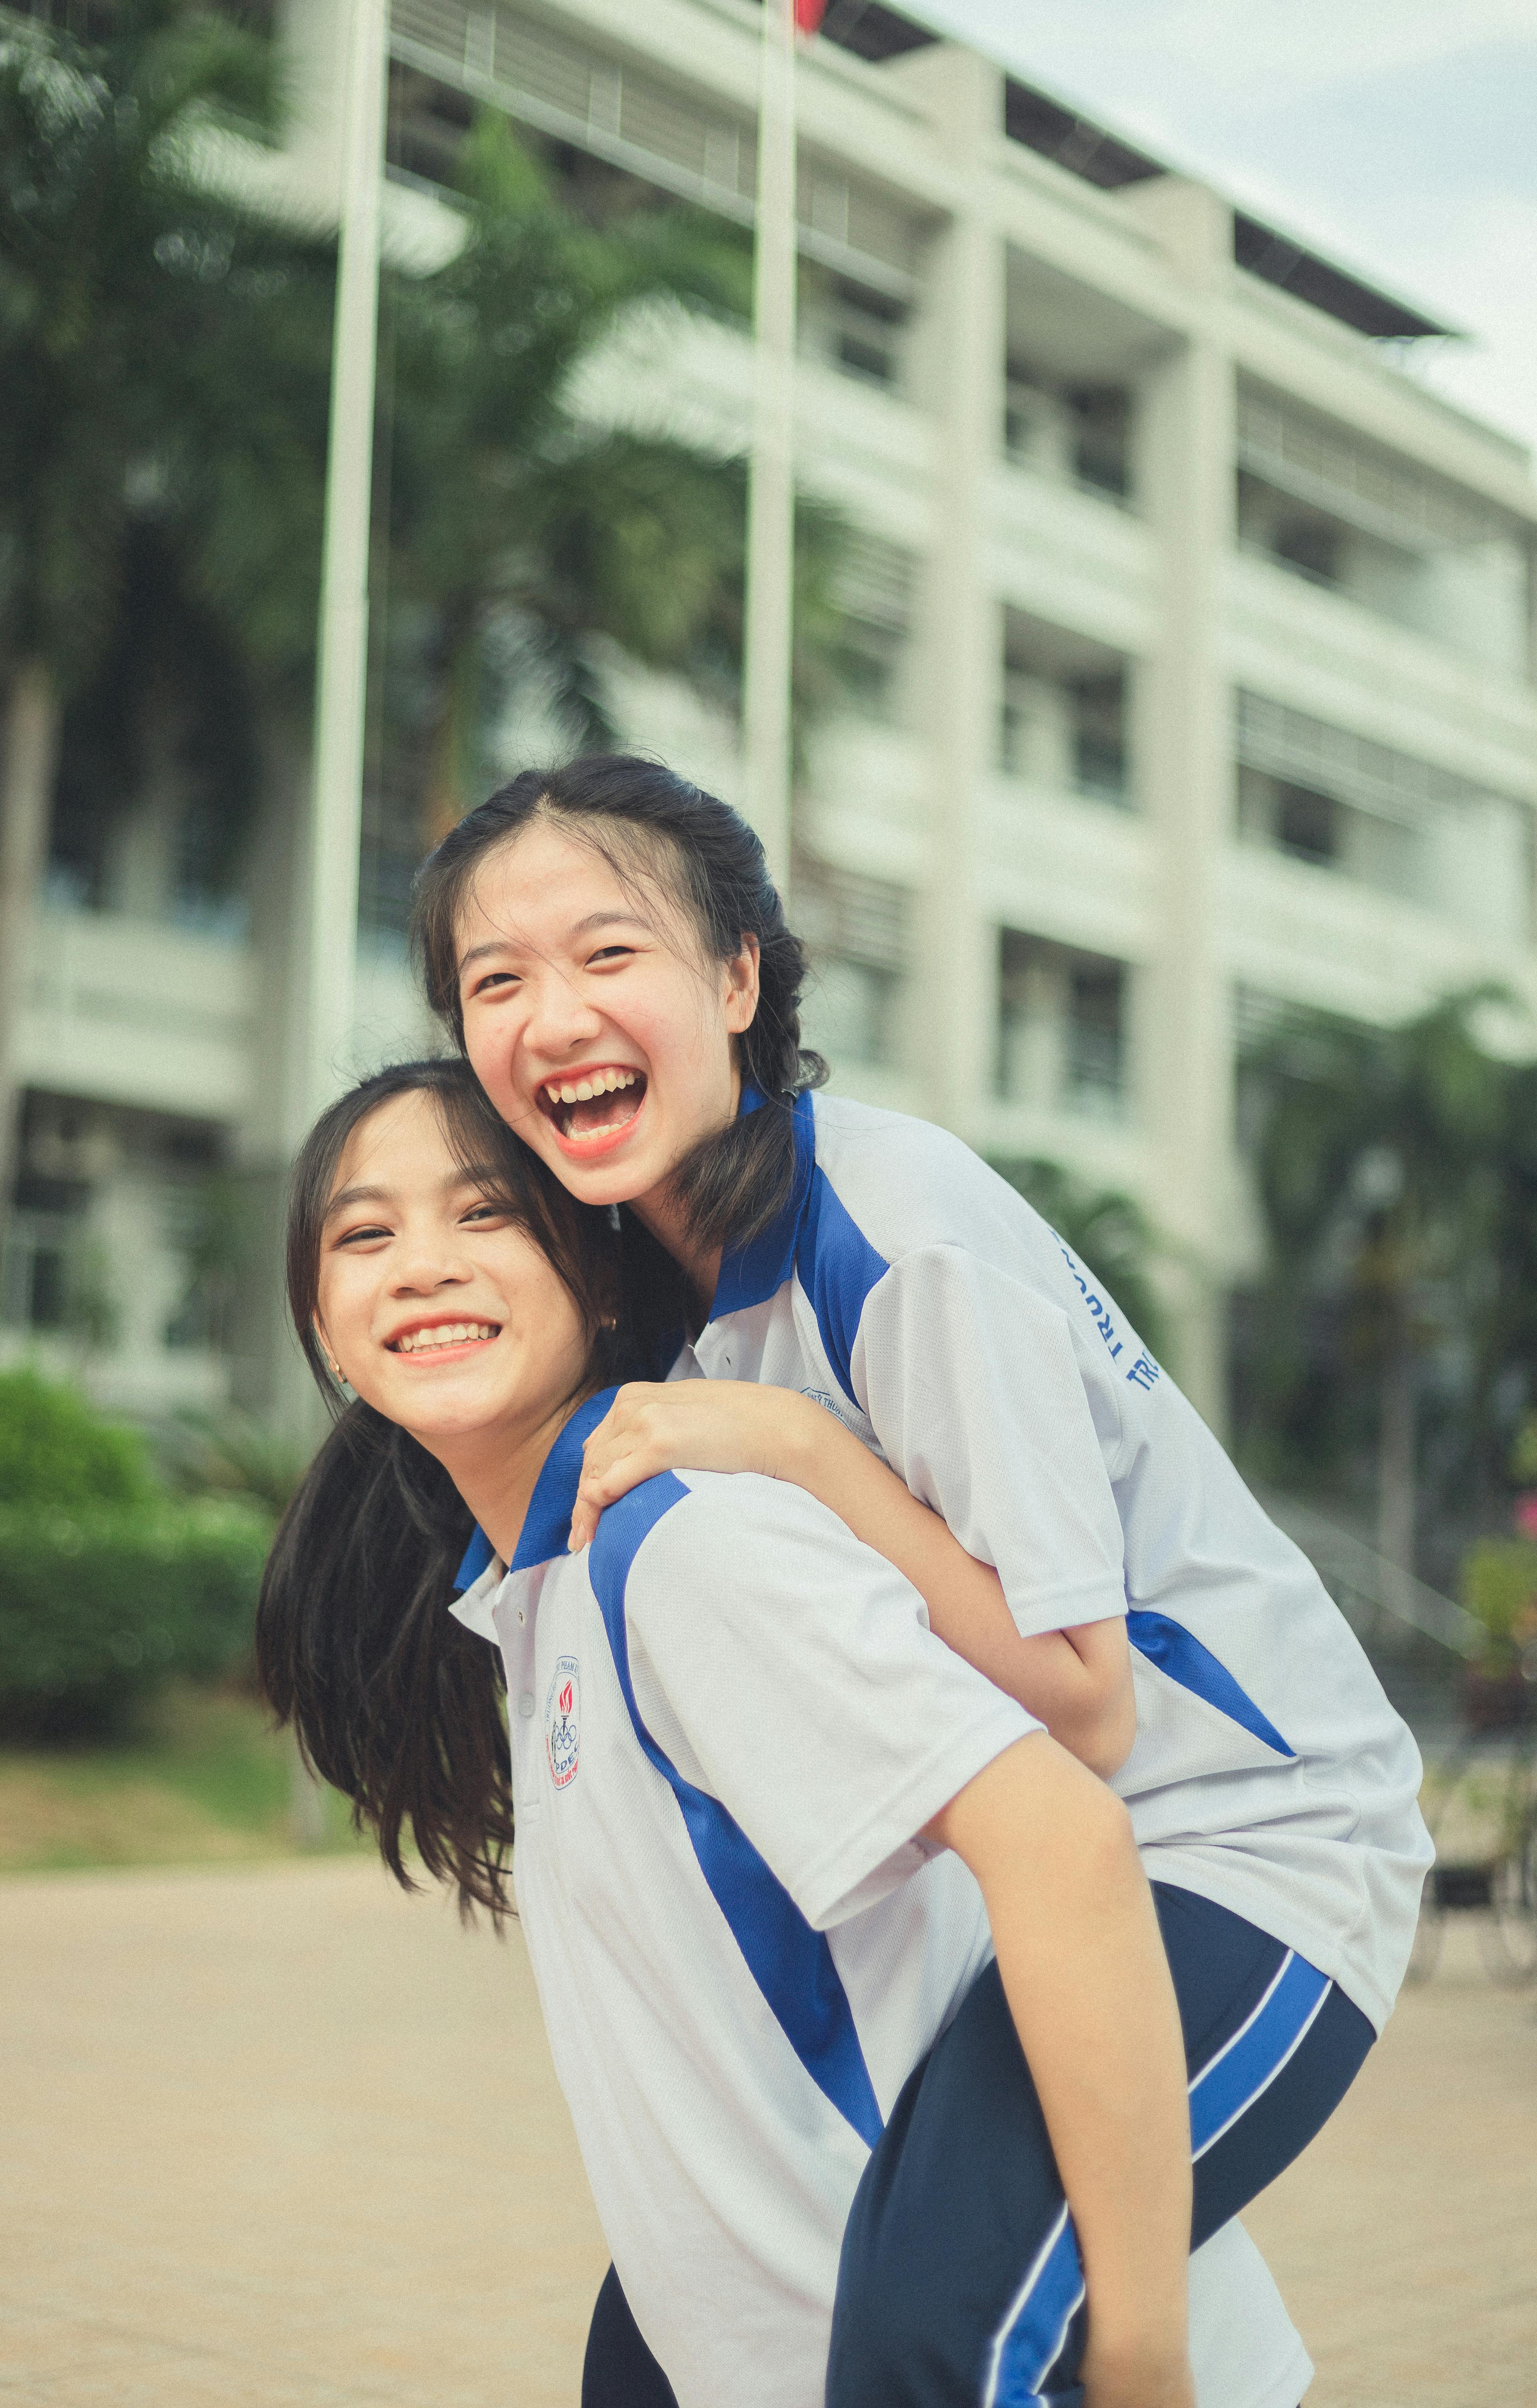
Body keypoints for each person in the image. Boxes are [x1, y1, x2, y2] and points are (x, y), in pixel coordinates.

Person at [409, 754, 1432, 2388]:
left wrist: (806, 1451)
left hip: (1243, 1859)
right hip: (1006, 1885)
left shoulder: (894, 1225)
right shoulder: (650, 1292)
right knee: (670, 2336)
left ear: (736, 977)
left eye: (608, 956)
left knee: (926, 2338)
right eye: (495, 981)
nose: (551, 1016)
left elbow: (1090, 1711)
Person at [260, 1062, 1335, 2408]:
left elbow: (1066, 1838)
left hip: (1003, 2363)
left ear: (598, 1282)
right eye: (366, 1235)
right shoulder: (545, 1597)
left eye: (484, 1215)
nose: (421, 1267)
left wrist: (1141, 2361)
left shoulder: (682, 1545)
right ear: (322, 1317)